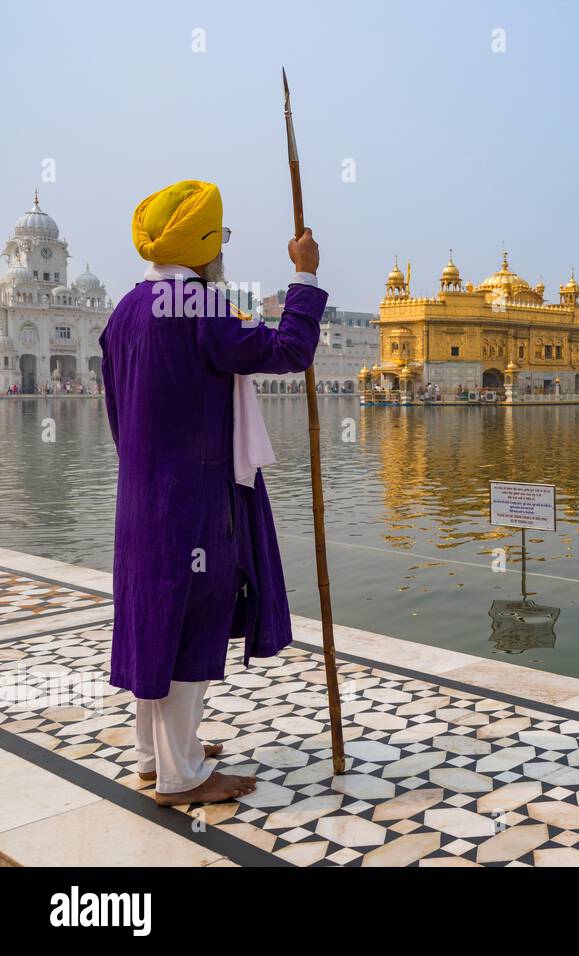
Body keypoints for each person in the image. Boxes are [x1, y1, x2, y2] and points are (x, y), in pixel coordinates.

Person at [99, 180, 327, 806]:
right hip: (194, 498)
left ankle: (157, 755)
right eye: (219, 240)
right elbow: (288, 350)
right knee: (190, 616)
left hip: (143, 495)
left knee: (153, 616)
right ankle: (182, 777)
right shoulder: (196, 305)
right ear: (202, 245)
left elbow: (118, 409)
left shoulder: (126, 310)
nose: (222, 253)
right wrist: (304, 279)